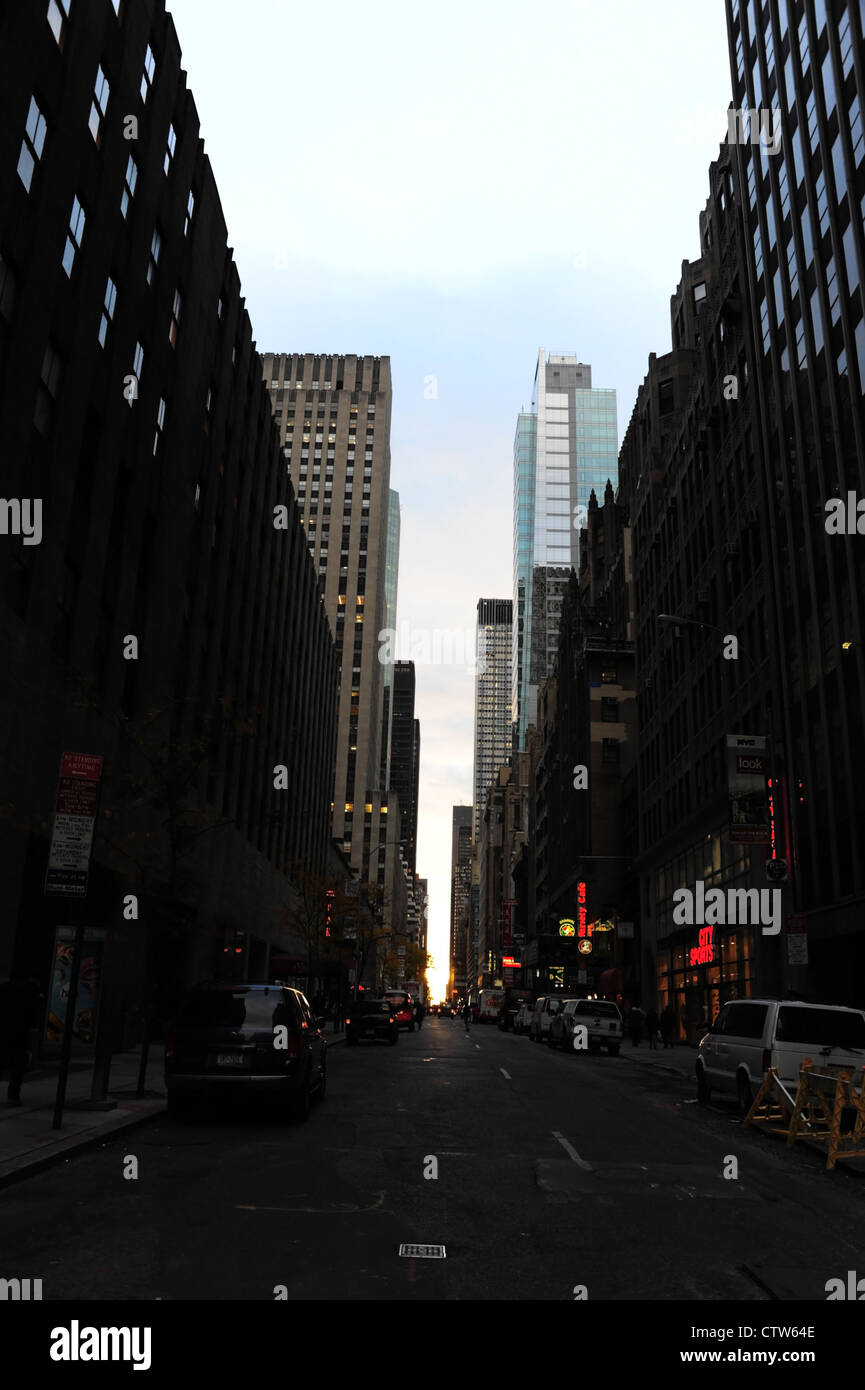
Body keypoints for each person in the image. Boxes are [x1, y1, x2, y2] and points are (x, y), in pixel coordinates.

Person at [0, 976, 43, 1105]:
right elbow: (33, 1020)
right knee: (17, 1066)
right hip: (19, 1033)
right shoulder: (29, 995)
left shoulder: (4, 990)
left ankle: (13, 1096)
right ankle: (13, 1096)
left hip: (3, 1031)